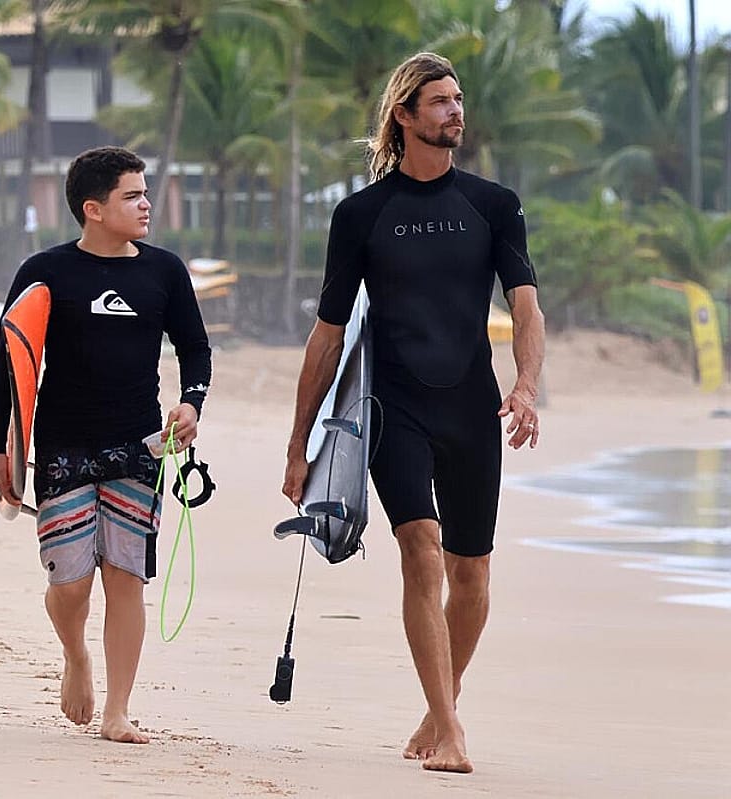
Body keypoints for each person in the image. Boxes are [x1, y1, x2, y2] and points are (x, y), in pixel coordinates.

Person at [282, 53, 546, 773]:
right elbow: (328, 333)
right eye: (439, 101)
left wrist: (525, 385)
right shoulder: (363, 214)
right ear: (404, 114)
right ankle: (454, 731)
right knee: (421, 550)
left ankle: (438, 705)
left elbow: (525, 305)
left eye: (458, 100)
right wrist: (298, 444)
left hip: (471, 406)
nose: (455, 112)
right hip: (393, 407)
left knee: (474, 576)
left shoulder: (494, 205)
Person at [0, 146, 212, 744]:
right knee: (70, 584)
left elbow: (196, 351)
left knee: (124, 577)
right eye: (132, 196)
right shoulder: (45, 272)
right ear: (93, 209)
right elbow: (6, 363)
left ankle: (118, 709)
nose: (146, 205)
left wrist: (191, 403)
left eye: (145, 192)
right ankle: (75, 654)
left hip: (138, 446)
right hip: (62, 446)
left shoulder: (163, 271)